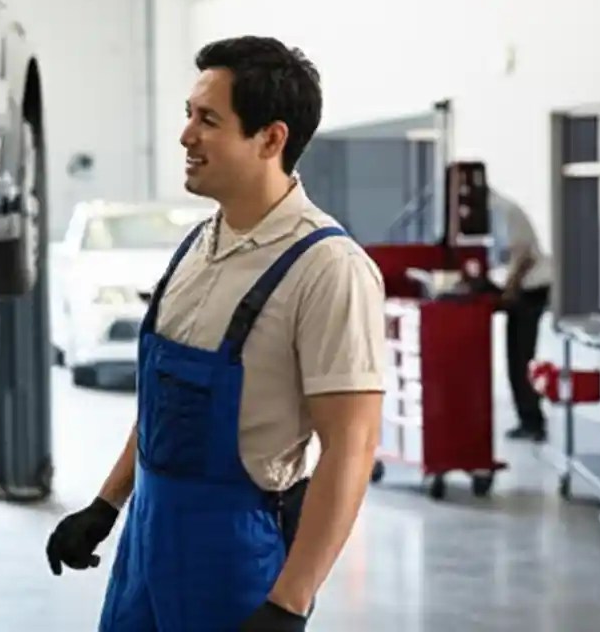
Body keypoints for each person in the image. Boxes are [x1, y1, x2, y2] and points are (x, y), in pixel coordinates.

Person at [46, 36, 386, 631]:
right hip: (146, 541)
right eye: (188, 115)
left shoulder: (328, 268)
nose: (186, 136)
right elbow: (162, 407)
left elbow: (350, 447)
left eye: (208, 120)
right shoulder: (195, 247)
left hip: (233, 560)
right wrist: (106, 504)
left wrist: (290, 602)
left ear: (270, 139)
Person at [489, 188, 553, 442]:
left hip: (531, 288)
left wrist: (508, 290)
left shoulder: (504, 211)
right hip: (520, 288)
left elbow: (523, 256)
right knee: (516, 357)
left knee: (521, 357)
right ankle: (527, 418)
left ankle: (533, 421)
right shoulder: (493, 212)